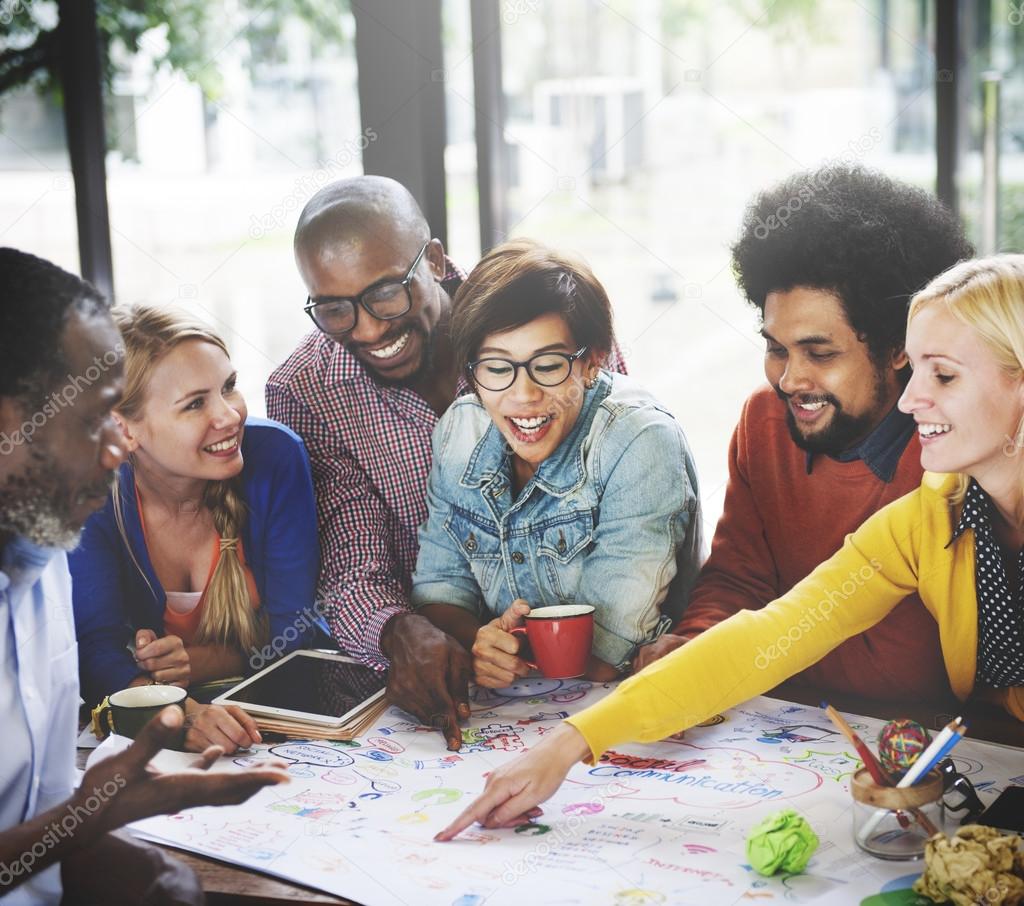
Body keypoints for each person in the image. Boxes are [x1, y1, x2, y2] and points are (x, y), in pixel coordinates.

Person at [436, 253, 1024, 840]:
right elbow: (770, 636)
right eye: (916, 371)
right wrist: (567, 744)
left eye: (943, 376)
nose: (910, 399)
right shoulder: (932, 514)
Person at [267, 176, 626, 749]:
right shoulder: (306, 390)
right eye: (334, 309)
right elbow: (351, 559)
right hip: (446, 672)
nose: (369, 329)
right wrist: (397, 631)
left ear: (433, 260)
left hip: (596, 652)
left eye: (387, 293)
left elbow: (625, 486)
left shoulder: (549, 309)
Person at [0, 249, 288, 904]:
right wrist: (86, 821)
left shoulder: (43, 562)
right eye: (91, 421)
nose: (118, 449)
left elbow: (35, 828)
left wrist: (141, 868)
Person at [635, 165, 973, 703]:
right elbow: (740, 578)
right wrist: (694, 644)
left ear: (898, 348)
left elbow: (926, 664)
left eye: (820, 353)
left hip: (918, 736)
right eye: (776, 349)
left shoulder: (952, 450)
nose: (790, 380)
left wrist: (730, 656)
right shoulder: (763, 423)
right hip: (783, 727)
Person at [411, 240, 702, 686]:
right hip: (515, 705)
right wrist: (482, 644)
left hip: (623, 700)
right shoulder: (459, 431)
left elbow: (607, 651)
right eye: (497, 368)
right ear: (471, 373)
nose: (524, 395)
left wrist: (503, 651)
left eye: (548, 366)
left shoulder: (639, 441)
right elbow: (439, 593)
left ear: (593, 361)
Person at [69, 305, 320, 755]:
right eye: (195, 404)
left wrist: (195, 664)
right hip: (171, 726)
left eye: (229, 387)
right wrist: (182, 713)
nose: (230, 416)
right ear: (124, 430)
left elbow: (296, 633)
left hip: (275, 711)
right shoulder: (90, 492)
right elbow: (94, 650)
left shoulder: (277, 455)